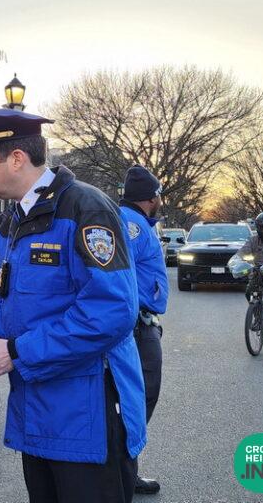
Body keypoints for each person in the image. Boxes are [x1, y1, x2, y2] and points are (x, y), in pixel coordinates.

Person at [0, 108, 146, 503]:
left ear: (16, 158)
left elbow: (111, 313)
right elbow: (2, 293)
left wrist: (13, 352)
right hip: (38, 411)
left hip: (87, 417)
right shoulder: (12, 218)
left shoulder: (85, 208)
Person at [119, 165, 169, 496]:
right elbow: (119, 272)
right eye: (159, 195)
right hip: (135, 325)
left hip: (140, 321)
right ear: (151, 198)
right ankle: (122, 471)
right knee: (141, 396)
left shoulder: (133, 221)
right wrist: (138, 312)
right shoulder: (132, 225)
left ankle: (125, 468)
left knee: (136, 397)